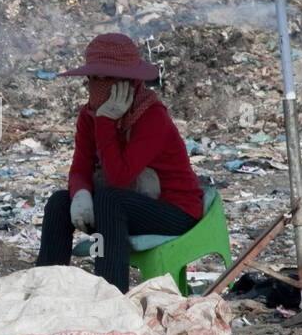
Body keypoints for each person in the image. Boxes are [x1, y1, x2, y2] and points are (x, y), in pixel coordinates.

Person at [37, 34, 203, 293]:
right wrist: (80, 195)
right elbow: (80, 166)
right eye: (94, 78)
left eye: (108, 78)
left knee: (109, 199)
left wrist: (105, 123)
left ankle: (111, 297)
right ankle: (43, 290)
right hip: (123, 205)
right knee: (60, 202)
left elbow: (119, 176)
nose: (98, 85)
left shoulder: (151, 116)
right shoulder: (88, 115)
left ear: (129, 81)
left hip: (174, 210)